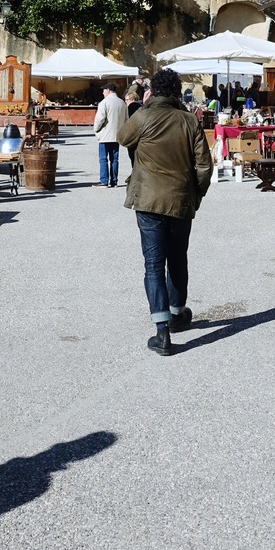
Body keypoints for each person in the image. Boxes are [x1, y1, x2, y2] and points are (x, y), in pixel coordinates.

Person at [119, 67, 213, 357]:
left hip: (147, 201)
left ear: (153, 91)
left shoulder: (143, 117)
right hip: (180, 200)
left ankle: (161, 331)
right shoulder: (189, 121)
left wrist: (144, 105)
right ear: (176, 91)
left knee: (153, 263)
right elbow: (204, 166)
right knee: (177, 258)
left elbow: (123, 138)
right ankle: (176, 312)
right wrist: (196, 195)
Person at [93, 81, 128, 187]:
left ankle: (104, 181)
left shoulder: (104, 102)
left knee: (103, 159)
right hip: (117, 135)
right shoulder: (122, 103)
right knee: (115, 159)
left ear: (108, 90)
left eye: (104, 90)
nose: (103, 92)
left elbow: (100, 119)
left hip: (105, 135)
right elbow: (127, 119)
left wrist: (96, 129)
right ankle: (114, 181)